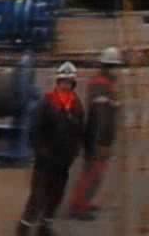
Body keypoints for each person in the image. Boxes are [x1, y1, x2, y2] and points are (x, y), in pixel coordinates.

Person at [18, 62, 85, 236]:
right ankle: (24, 228)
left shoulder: (76, 105)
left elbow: (79, 131)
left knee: (56, 195)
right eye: (63, 81)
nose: (66, 85)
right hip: (45, 161)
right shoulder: (47, 102)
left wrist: (74, 151)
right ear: (58, 81)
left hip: (63, 162)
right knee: (37, 196)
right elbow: (34, 130)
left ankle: (45, 227)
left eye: (69, 82)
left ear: (73, 83)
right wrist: (41, 151)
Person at [69, 48, 123, 220]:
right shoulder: (101, 84)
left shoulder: (105, 83)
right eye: (114, 67)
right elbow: (100, 116)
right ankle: (78, 207)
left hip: (101, 137)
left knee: (96, 174)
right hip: (97, 138)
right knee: (91, 174)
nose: (117, 71)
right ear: (107, 67)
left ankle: (85, 202)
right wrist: (101, 142)